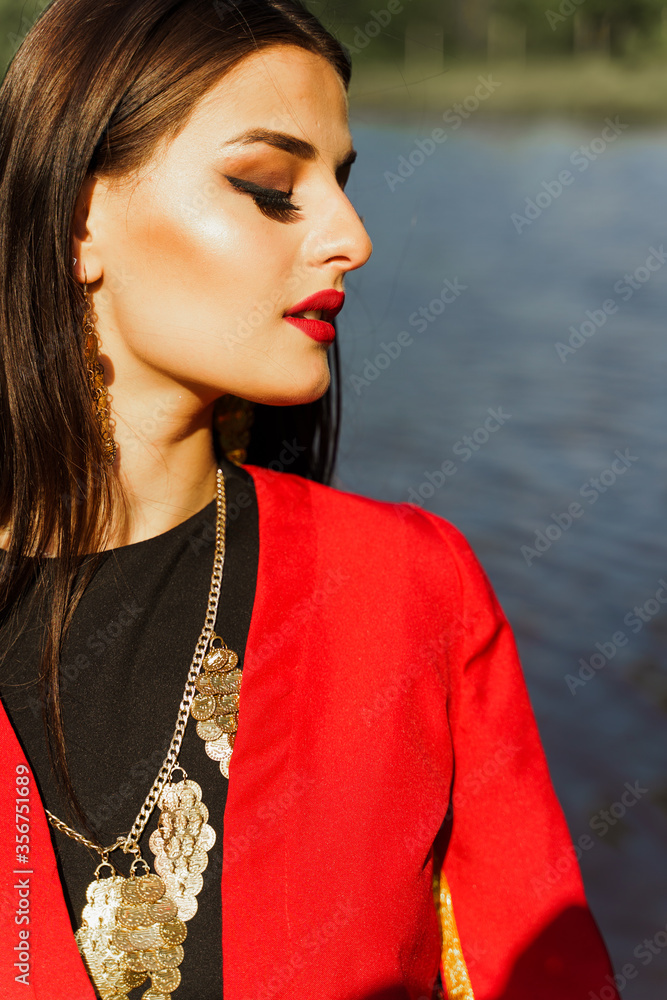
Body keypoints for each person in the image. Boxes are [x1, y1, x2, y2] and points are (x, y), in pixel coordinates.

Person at [0, 1, 621, 998]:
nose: (353, 238)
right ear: (78, 221)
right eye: (269, 186)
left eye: (340, 181)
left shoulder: (409, 594)